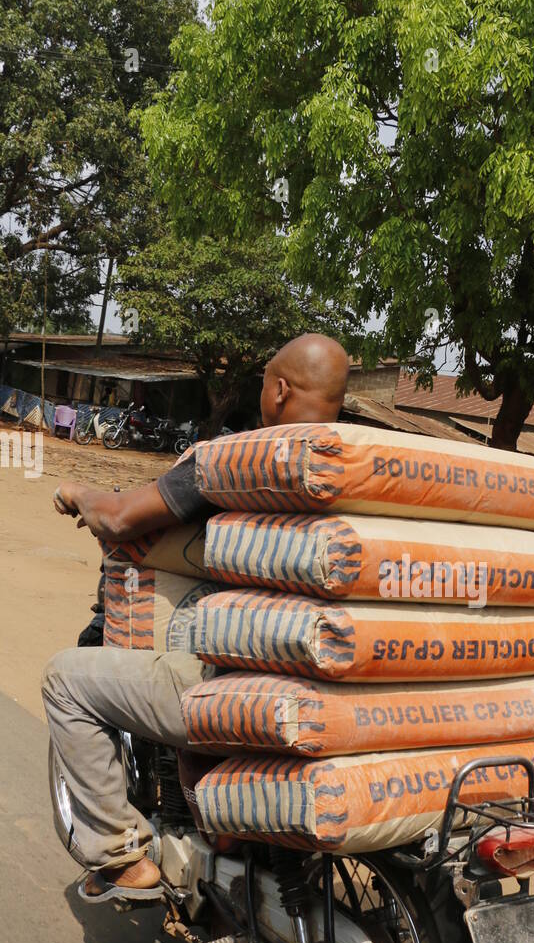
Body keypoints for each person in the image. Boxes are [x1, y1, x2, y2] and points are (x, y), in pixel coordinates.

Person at [42, 334, 349, 900]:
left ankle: (118, 855)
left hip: (243, 687)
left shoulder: (242, 459)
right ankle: (217, 824)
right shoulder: (355, 471)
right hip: (326, 683)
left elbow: (119, 518)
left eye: (262, 381)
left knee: (65, 680)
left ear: (279, 390)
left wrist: (77, 491)